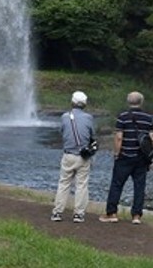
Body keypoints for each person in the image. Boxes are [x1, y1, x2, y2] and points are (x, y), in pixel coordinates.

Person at [100, 91, 153, 225]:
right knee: (139, 187)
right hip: (141, 158)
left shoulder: (122, 117)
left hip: (124, 156)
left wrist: (116, 154)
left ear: (128, 102)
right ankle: (136, 216)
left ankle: (112, 213)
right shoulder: (148, 118)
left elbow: (119, 137)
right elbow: (151, 139)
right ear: (141, 102)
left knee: (117, 184)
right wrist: (150, 158)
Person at [51, 90, 94, 224]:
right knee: (81, 185)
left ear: (72, 102)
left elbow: (62, 132)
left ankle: (57, 212)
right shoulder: (89, 118)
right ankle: (78, 215)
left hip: (68, 155)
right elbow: (92, 135)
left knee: (64, 183)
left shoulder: (65, 117)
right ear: (85, 104)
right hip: (83, 156)